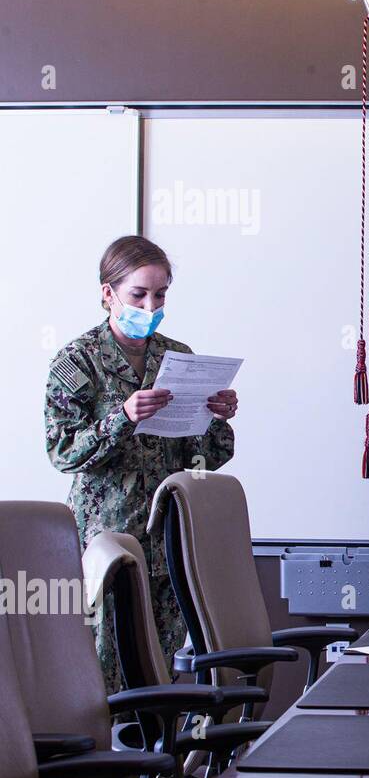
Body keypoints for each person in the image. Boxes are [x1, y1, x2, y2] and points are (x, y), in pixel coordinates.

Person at [44, 235, 238, 693]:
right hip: (110, 541)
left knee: (164, 671)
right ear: (108, 293)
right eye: (138, 293)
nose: (151, 305)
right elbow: (63, 452)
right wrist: (122, 418)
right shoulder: (77, 361)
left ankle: (159, 764)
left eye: (160, 294)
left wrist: (215, 417)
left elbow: (206, 459)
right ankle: (111, 766)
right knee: (105, 670)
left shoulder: (178, 358)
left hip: (169, 534)